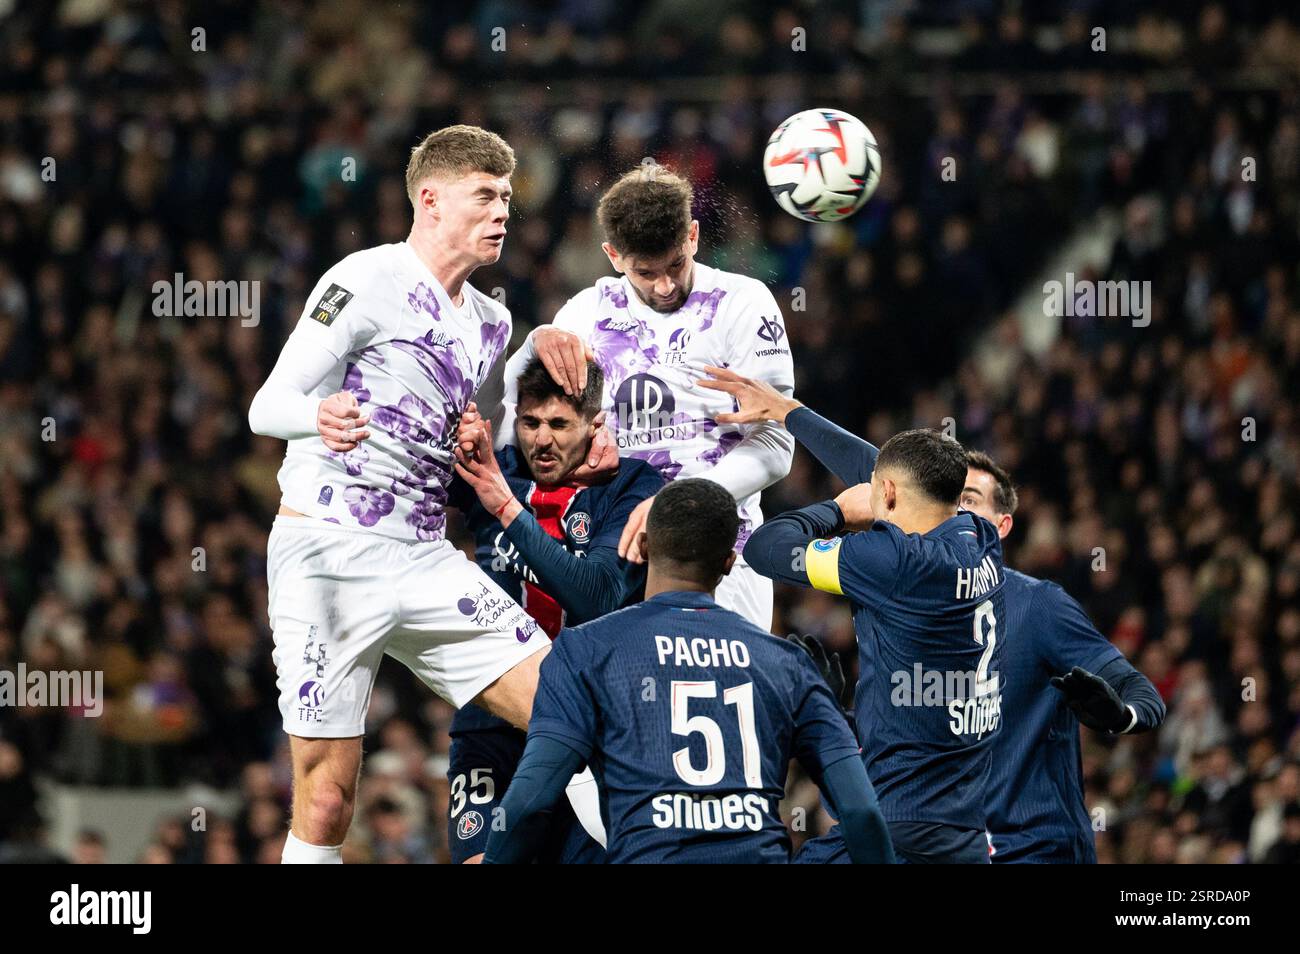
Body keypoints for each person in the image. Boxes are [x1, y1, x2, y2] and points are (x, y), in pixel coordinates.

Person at [247, 125, 550, 863]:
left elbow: (456, 437)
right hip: (327, 550)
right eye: (485, 196)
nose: (502, 212)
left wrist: (474, 448)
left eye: (507, 198)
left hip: (423, 557)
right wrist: (316, 414)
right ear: (431, 199)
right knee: (326, 799)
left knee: (567, 708)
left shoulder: (491, 322)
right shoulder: (364, 279)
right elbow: (266, 406)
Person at [483, 479, 894, 864]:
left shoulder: (588, 650)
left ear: (642, 546)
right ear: (731, 561)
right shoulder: (787, 664)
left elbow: (529, 803)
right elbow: (861, 812)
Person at [701, 367, 1004, 863]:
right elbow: (887, 471)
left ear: (884, 494)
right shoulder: (979, 536)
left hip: (898, 822)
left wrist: (837, 512)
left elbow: (764, 548)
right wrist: (788, 412)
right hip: (964, 825)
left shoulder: (892, 563)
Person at [498, 165, 796, 631]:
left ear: (693, 235)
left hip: (720, 552)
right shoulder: (585, 313)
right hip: (614, 553)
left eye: (676, 264)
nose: (664, 286)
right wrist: (532, 346)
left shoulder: (742, 303)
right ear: (613, 255)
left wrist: (676, 504)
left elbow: (777, 448)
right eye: (645, 272)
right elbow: (518, 417)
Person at [445, 356, 663, 862]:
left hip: (594, 732)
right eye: (530, 422)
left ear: (595, 425)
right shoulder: (489, 470)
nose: (542, 439)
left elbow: (598, 594)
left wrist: (506, 508)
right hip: (492, 726)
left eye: (560, 424)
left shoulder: (633, 487)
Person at [961, 451, 1165, 862]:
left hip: (1036, 849)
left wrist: (1120, 715)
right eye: (950, 498)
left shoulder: (1039, 606)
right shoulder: (919, 613)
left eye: (970, 499)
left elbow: (1143, 694)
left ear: (1002, 526)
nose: (956, 510)